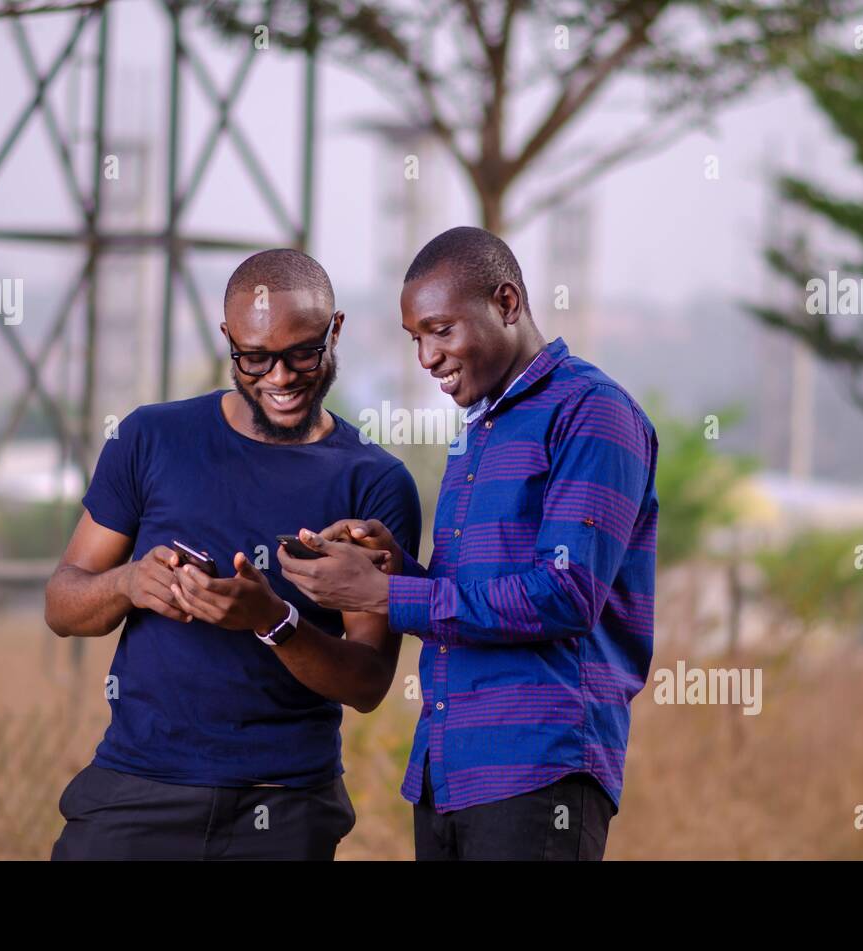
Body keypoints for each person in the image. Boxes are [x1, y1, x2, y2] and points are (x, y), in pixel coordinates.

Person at [279, 226, 658, 861]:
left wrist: (386, 593)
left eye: (441, 330)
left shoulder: (592, 412)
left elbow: (566, 595)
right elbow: (472, 599)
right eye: (415, 340)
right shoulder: (479, 430)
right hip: (446, 771)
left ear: (507, 304)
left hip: (540, 770)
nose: (426, 357)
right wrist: (394, 568)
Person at [45, 248, 421, 860]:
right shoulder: (149, 438)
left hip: (285, 803)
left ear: (336, 330)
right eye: (254, 357)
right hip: (137, 789)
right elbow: (62, 603)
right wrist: (128, 583)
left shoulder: (374, 483)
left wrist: (274, 622)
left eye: (304, 352)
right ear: (228, 340)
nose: (280, 377)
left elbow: (369, 681)